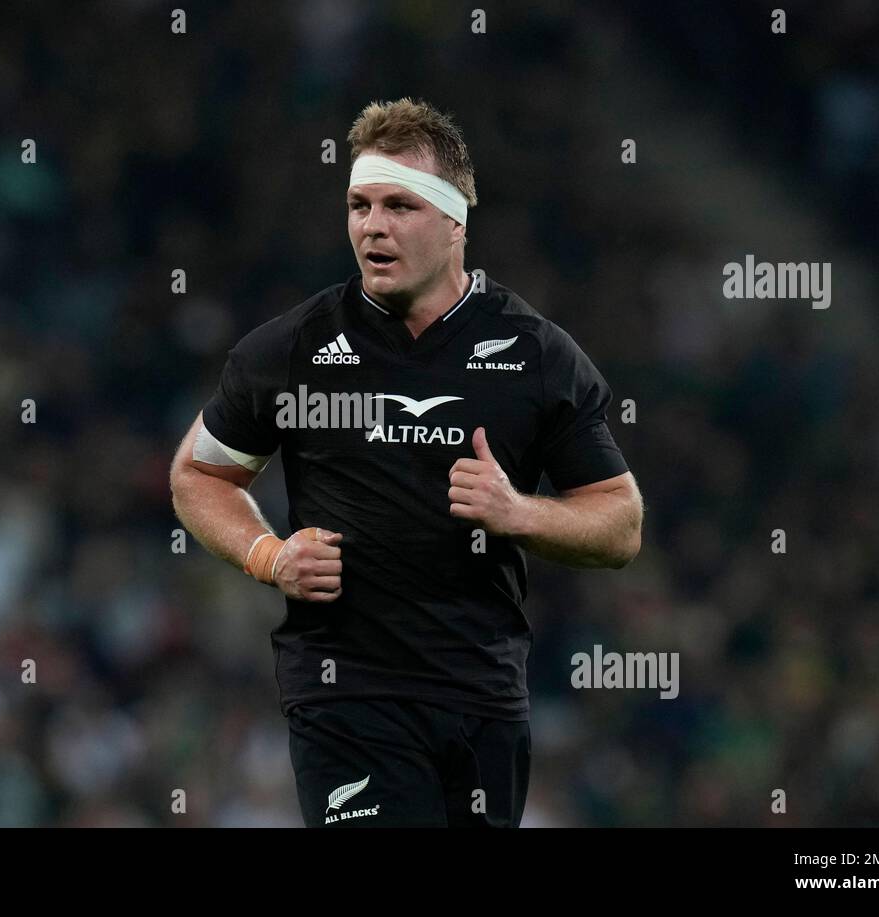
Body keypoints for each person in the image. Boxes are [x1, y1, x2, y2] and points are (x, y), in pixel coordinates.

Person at [169, 97, 643, 827]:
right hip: (345, 693)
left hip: (482, 696)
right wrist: (267, 554)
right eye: (359, 205)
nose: (372, 226)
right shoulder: (293, 349)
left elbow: (620, 524)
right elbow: (198, 475)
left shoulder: (536, 355)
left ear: (455, 221)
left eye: (400, 205)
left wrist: (517, 512)